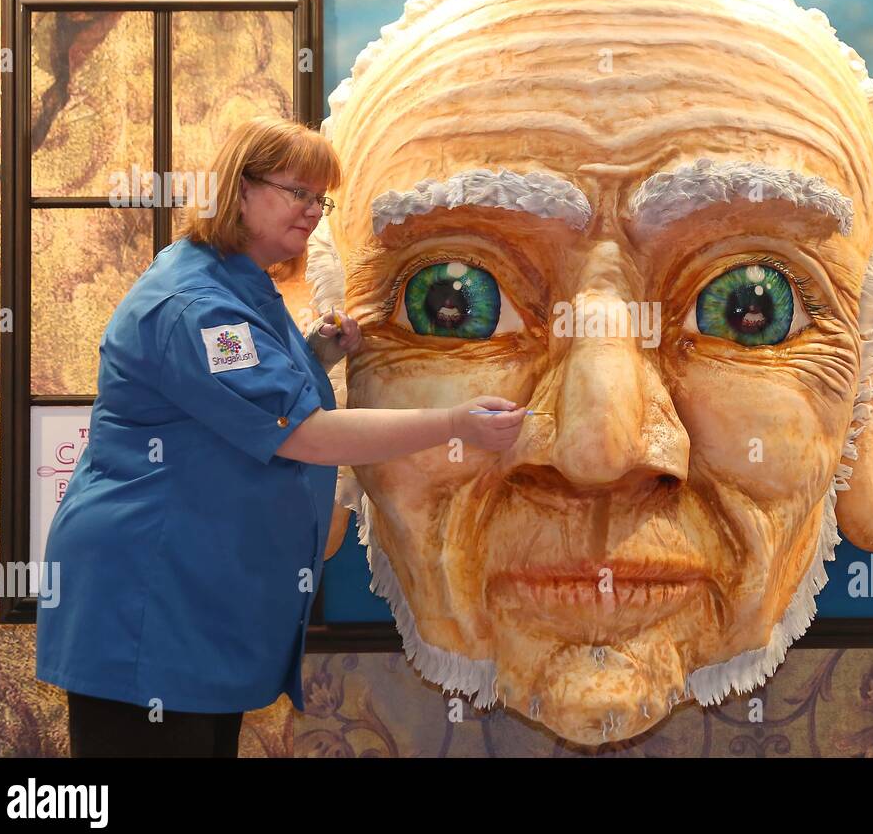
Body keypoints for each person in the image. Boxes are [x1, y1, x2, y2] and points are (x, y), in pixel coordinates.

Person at [35, 116, 527, 757]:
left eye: (320, 198)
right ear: (239, 189)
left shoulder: (235, 283)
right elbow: (304, 435)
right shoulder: (198, 305)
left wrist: (316, 353)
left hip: (199, 590)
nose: (312, 212)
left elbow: (234, 397)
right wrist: (455, 424)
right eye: (297, 192)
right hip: (150, 595)